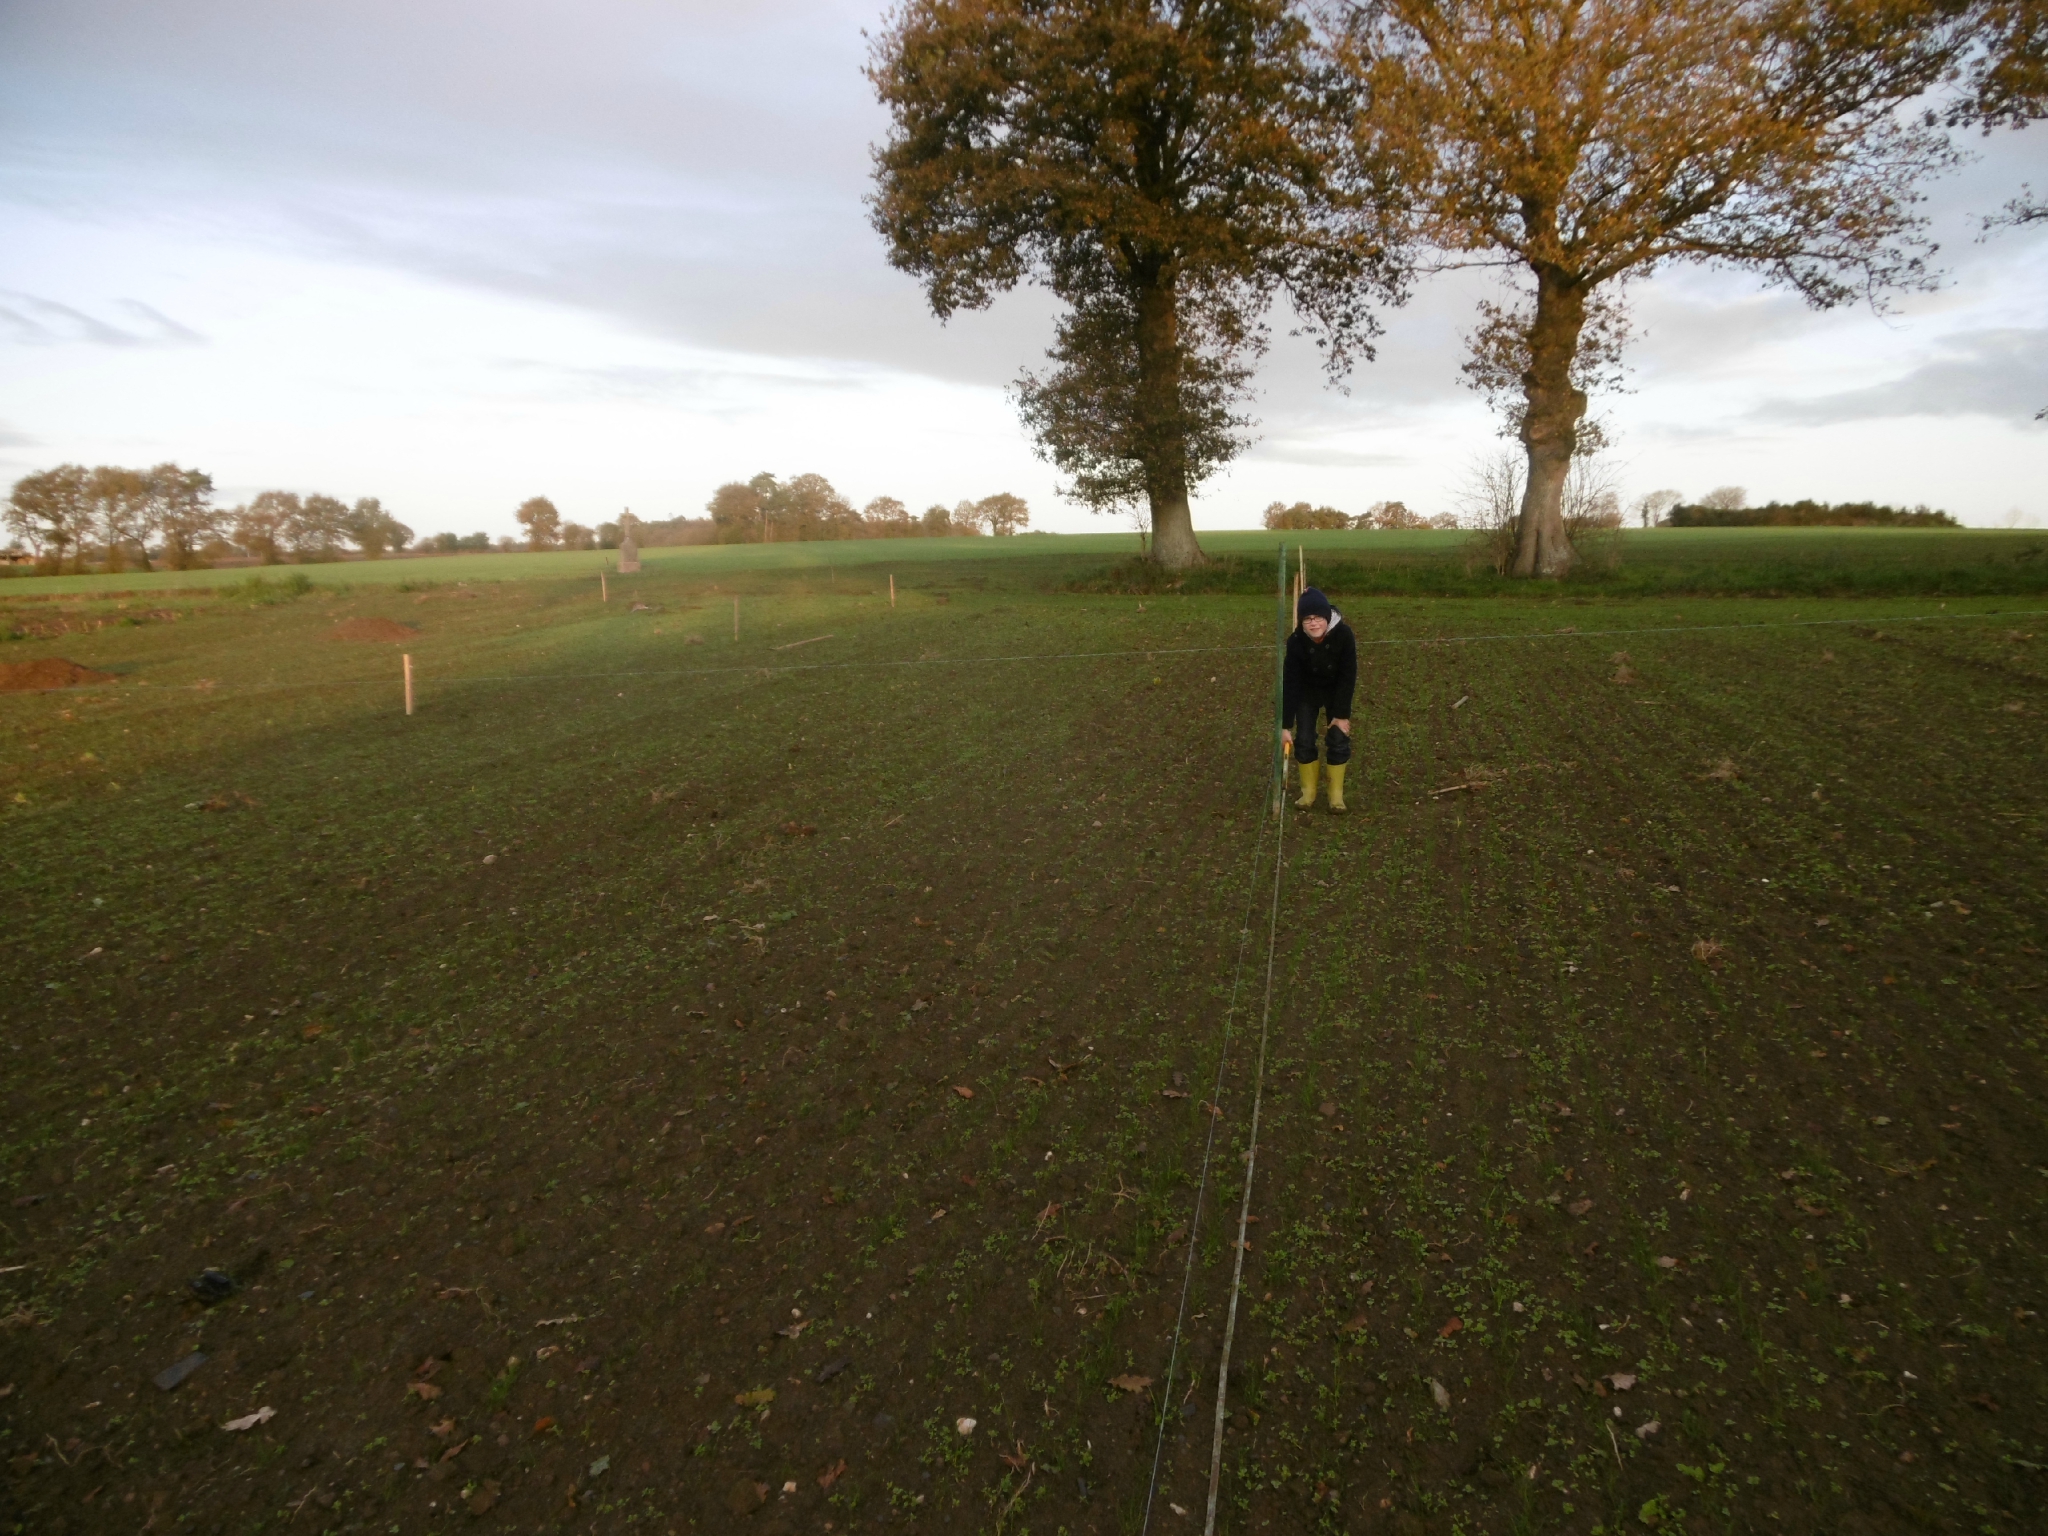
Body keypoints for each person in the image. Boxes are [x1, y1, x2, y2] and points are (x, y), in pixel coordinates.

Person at [1281, 586, 1356, 812]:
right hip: (1307, 691)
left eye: (1318, 618)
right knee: (1303, 739)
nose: (1313, 623)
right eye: (1307, 619)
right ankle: (1308, 794)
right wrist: (1286, 725)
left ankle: (1336, 797)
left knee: (1338, 738)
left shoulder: (1344, 635)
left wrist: (1341, 715)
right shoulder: (1296, 641)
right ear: (1301, 621)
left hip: (1335, 691)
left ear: (1327, 617)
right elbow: (1291, 682)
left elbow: (1347, 676)